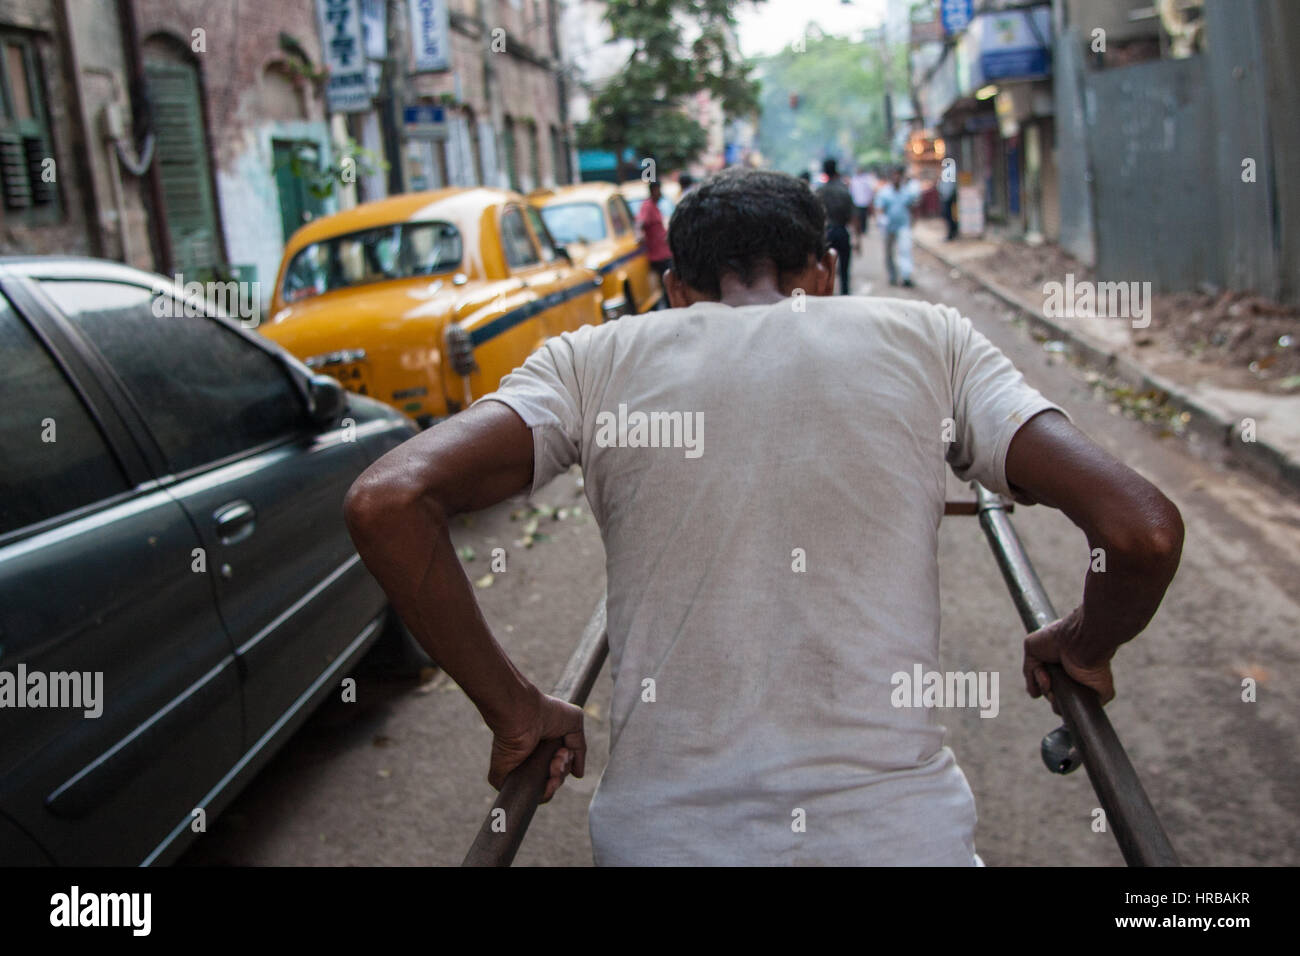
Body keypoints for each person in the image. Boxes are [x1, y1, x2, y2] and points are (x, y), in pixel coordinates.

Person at [344, 168, 1183, 866]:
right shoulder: (931, 340)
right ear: (824, 272)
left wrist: (516, 709)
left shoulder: (592, 361)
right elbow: (1140, 532)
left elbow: (388, 502)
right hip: (901, 840)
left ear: (676, 290)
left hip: (660, 842)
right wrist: (1082, 642)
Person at [875, 164, 920, 287]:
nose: (896, 178)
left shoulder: (907, 192)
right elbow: (879, 208)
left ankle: (906, 277)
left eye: (898, 175)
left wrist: (914, 220)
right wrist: (882, 219)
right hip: (889, 227)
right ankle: (892, 276)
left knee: (905, 251)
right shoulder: (884, 193)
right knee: (889, 253)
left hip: (903, 225)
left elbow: (912, 207)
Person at [815, 158, 854, 295]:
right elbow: (851, 215)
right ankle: (844, 294)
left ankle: (824, 293)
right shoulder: (844, 191)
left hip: (825, 234)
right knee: (844, 269)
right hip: (841, 231)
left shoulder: (819, 191)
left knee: (824, 267)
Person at [635, 180, 672, 285]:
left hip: (664, 252)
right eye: (659, 190)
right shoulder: (647, 206)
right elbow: (640, 223)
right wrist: (639, 235)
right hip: (658, 255)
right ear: (654, 190)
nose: (660, 193)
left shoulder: (654, 205)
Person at [849, 164, 876, 250]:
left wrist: (870, 200)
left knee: (864, 216)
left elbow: (869, 190)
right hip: (856, 202)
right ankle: (859, 230)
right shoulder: (854, 180)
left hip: (864, 201)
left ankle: (863, 229)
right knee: (858, 217)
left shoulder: (866, 180)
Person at [937, 170, 958, 241]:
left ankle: (952, 233)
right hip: (947, 197)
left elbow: (948, 186)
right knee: (948, 216)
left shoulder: (949, 170)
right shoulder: (948, 170)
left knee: (949, 216)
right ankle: (952, 232)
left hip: (948, 197)